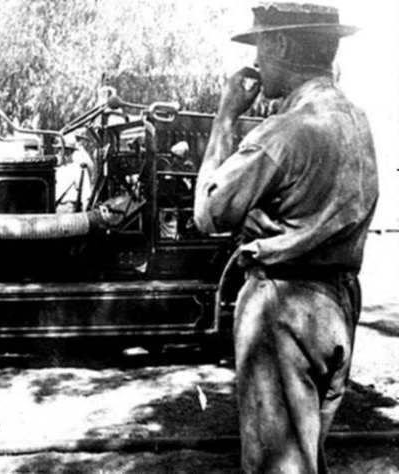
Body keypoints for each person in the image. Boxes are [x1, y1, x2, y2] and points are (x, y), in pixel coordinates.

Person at [193, 3, 378, 473]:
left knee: (278, 466)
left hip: (284, 310)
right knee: (306, 457)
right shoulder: (354, 121)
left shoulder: (285, 132)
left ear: (281, 44)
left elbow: (208, 213)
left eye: (260, 47)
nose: (256, 62)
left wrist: (225, 118)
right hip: (335, 309)